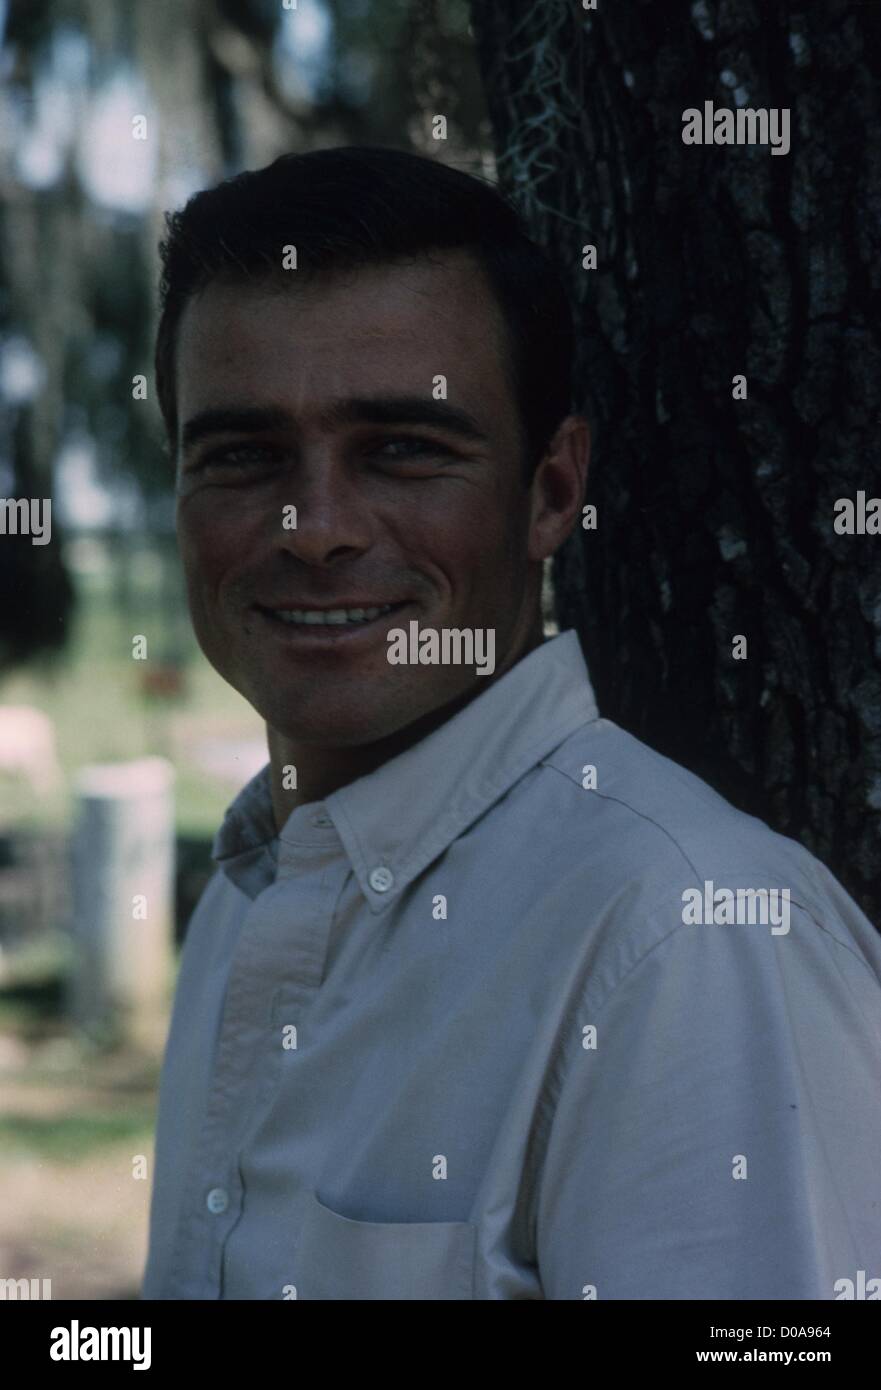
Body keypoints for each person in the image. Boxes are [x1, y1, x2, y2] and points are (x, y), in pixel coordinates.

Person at [142, 146, 881, 1300]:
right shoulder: (250, 897)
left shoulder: (683, 939)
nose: (315, 527)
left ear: (548, 492)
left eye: (402, 448)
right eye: (244, 456)